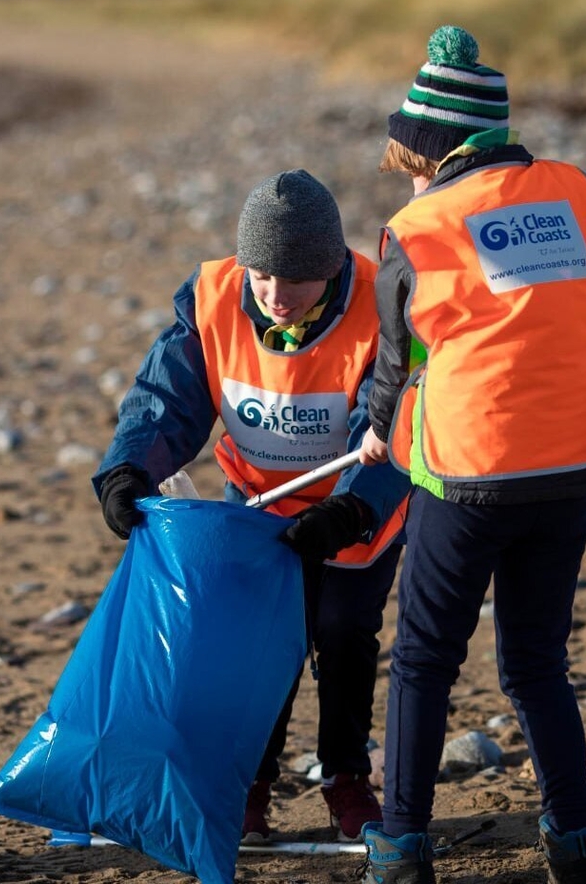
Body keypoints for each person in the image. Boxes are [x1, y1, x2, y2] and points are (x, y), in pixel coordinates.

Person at [353, 27, 586, 884]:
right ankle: (574, 839)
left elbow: (395, 358)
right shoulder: (579, 193)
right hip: (571, 467)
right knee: (536, 662)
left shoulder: (416, 227)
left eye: (411, 159)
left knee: (422, 661)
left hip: (468, 472)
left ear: (437, 150)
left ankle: (403, 848)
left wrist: (378, 427)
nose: (409, 177)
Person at [93, 169, 414, 843]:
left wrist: (351, 511)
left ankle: (347, 780)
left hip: (350, 516)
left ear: (329, 268)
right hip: (257, 507)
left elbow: (390, 423)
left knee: (343, 635)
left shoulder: (380, 305)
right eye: (261, 277)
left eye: (294, 281)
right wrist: (128, 471)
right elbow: (167, 400)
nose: (275, 297)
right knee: (258, 647)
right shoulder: (212, 297)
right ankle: (250, 786)